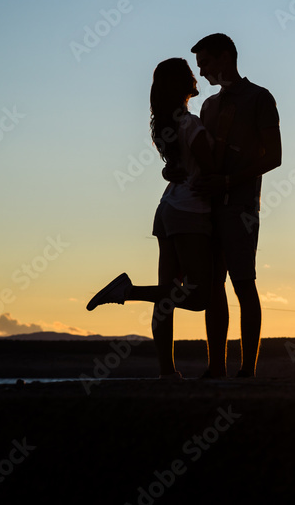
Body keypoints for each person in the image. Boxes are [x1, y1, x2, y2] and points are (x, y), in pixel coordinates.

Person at [86, 57, 218, 379]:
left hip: (168, 209)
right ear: (182, 83)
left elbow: (177, 168)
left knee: (167, 293)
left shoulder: (166, 125)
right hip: (190, 212)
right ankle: (127, 292)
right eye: (190, 73)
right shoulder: (190, 124)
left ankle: (166, 372)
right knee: (200, 296)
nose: (194, 76)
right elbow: (211, 169)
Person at [183, 33, 281, 378]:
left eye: (206, 63)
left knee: (243, 282)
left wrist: (228, 182)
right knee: (213, 285)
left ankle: (248, 371)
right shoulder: (208, 107)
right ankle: (216, 368)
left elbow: (275, 157)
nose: (203, 71)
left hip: (241, 209)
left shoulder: (260, 98)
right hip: (207, 209)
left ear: (226, 58)